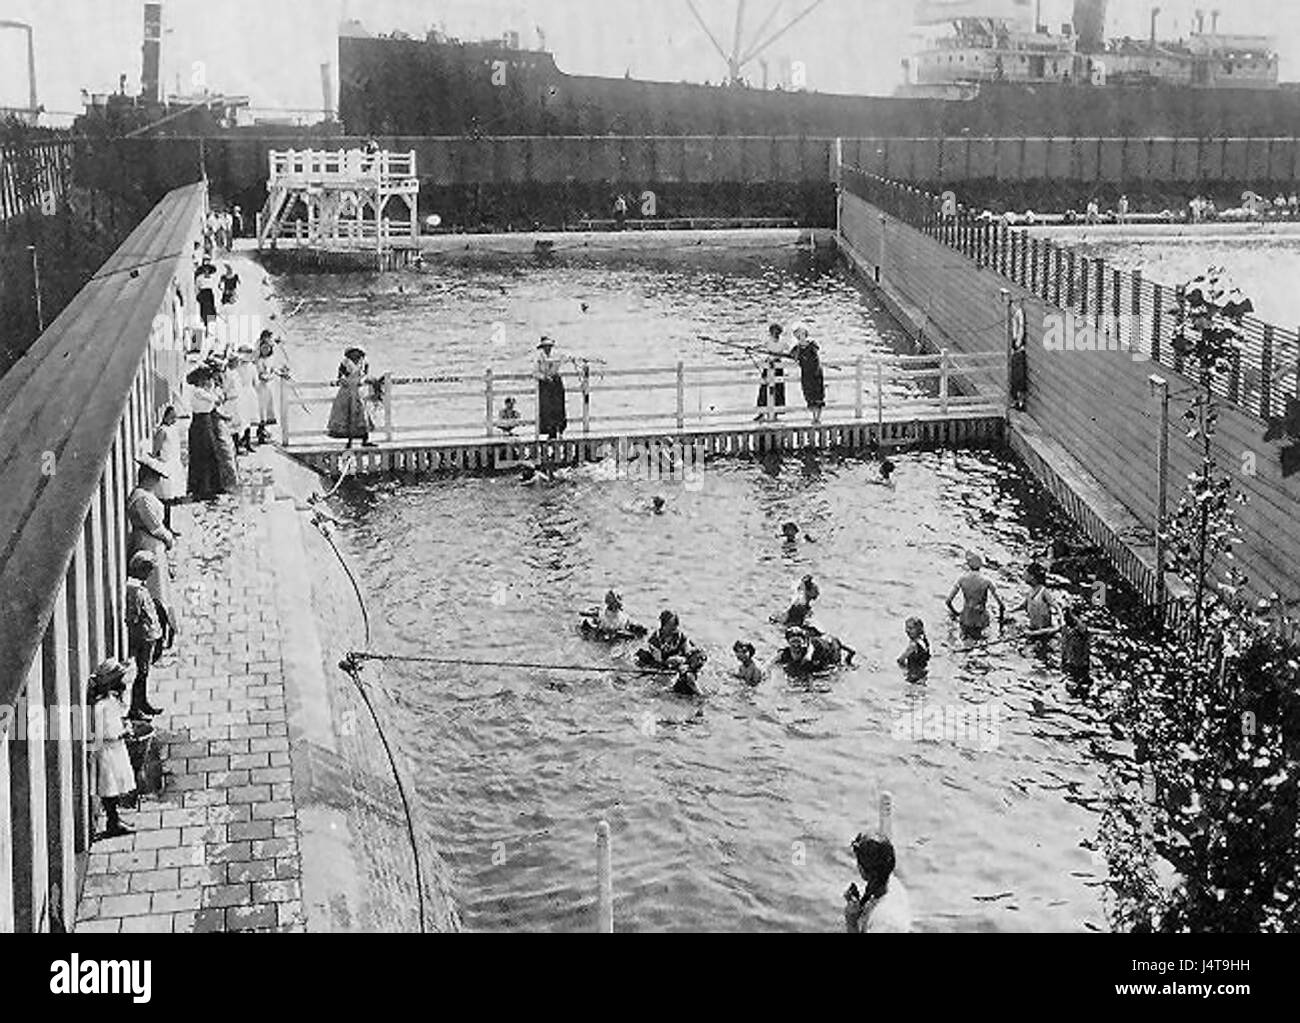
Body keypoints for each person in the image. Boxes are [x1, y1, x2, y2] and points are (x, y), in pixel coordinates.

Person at [126, 454, 177, 660]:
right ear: (148, 477)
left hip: (151, 543)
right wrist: (170, 539)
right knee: (157, 591)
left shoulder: (141, 494)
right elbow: (155, 527)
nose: (157, 482)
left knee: (160, 588)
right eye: (155, 478)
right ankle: (159, 637)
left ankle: (163, 635)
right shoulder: (143, 499)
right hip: (150, 544)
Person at [88, 660, 138, 839]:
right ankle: (112, 821)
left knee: (114, 787)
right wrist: (122, 733)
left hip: (114, 749)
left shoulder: (111, 699)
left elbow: (123, 711)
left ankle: (114, 819)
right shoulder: (101, 706)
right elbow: (103, 733)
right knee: (109, 787)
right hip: (107, 752)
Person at [844, 831, 913, 933]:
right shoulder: (892, 884)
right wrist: (860, 906)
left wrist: (851, 922)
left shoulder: (884, 921)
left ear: (862, 870)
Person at [125, 552, 164, 720]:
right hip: (144, 638)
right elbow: (133, 618)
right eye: (148, 570)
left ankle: (143, 703)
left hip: (149, 636)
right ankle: (136, 708)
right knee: (141, 674)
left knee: (144, 672)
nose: (150, 574)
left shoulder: (138, 586)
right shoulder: (135, 590)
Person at [636, 611, 707, 695]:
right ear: (664, 625)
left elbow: (687, 652)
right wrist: (668, 662)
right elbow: (658, 659)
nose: (674, 628)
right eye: (670, 625)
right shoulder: (655, 639)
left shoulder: (681, 637)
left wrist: (682, 660)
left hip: (678, 661)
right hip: (661, 663)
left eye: (675, 625)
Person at [945, 551, 1005, 638]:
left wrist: (956, 614)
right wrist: (1001, 624)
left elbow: (948, 601)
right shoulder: (986, 581)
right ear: (980, 566)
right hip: (980, 619)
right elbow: (1001, 605)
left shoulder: (962, 579)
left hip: (965, 618)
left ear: (969, 565)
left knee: (964, 640)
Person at [328, 348, 377, 448]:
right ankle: (349, 442)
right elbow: (340, 376)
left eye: (357, 354)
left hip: (359, 391)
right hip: (347, 392)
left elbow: (365, 375)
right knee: (348, 415)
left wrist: (364, 380)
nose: (356, 355)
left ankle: (365, 440)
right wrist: (343, 380)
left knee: (362, 416)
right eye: (353, 354)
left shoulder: (364, 363)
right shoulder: (345, 363)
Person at [151, 406, 183, 535]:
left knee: (170, 498)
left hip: (173, 464)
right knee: (164, 497)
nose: (174, 419)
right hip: (165, 465)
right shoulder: (162, 431)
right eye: (171, 417)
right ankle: (163, 526)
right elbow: (155, 451)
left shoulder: (173, 429)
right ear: (166, 417)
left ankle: (168, 525)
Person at [776, 626, 855, 675]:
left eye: (798, 642)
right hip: (822, 640)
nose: (796, 646)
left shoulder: (809, 652)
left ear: (803, 642)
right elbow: (775, 659)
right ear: (788, 642)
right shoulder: (785, 652)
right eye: (793, 642)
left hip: (831, 647)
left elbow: (809, 655)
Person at [254, 332, 287, 445]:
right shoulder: (259, 361)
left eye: (267, 348)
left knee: (269, 409)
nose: (265, 350)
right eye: (263, 348)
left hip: (269, 387)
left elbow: (273, 369)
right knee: (261, 409)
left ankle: (265, 431)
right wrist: (267, 376)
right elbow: (260, 375)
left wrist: (280, 373)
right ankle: (261, 432)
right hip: (260, 387)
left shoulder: (270, 359)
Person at [791, 326, 826, 425]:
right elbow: (793, 356)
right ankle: (813, 417)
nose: (801, 336)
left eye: (802, 334)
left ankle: (818, 417)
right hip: (806, 374)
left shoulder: (812, 344)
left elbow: (816, 352)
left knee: (818, 394)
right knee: (809, 394)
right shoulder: (797, 348)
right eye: (799, 335)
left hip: (816, 372)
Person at [1011, 562, 1058, 634]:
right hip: (1033, 629)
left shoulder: (1043, 591)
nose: (1023, 575)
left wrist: (1061, 623)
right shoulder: (1030, 591)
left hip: (1043, 631)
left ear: (1032, 577)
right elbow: (1023, 606)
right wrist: (1009, 611)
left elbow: (1056, 607)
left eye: (1026, 573)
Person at [535, 337, 568, 439]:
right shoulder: (539, 358)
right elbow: (535, 372)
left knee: (558, 406)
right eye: (545, 347)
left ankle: (560, 429)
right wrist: (544, 377)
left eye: (549, 347)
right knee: (547, 408)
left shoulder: (557, 356)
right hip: (545, 384)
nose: (547, 349)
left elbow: (564, 360)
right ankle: (550, 431)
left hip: (555, 383)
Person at [755, 323, 788, 421]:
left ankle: (776, 413)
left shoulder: (782, 343)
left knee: (778, 389)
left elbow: (789, 351)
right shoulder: (768, 342)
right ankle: (761, 412)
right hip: (768, 366)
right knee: (764, 389)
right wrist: (751, 348)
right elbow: (759, 347)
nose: (775, 334)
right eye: (773, 332)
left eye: (776, 332)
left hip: (777, 368)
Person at [234, 348, 261, 448]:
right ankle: (244, 442)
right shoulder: (250, 367)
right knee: (244, 417)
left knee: (246, 418)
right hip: (246, 393)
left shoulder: (241, 367)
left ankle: (245, 441)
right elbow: (256, 383)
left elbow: (256, 382)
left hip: (244, 393)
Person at [1061, 605, 1092, 689]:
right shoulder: (1066, 629)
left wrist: (1072, 615)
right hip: (1070, 663)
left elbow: (1083, 628)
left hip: (1080, 665)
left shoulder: (1081, 632)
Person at [195, 258, 219, 329]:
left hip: (210, 296)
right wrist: (198, 296)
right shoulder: (199, 278)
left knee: (211, 316)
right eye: (205, 268)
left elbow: (216, 290)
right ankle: (202, 331)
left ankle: (210, 332)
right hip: (202, 296)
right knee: (202, 316)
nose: (206, 270)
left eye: (208, 269)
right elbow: (196, 288)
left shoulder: (213, 278)